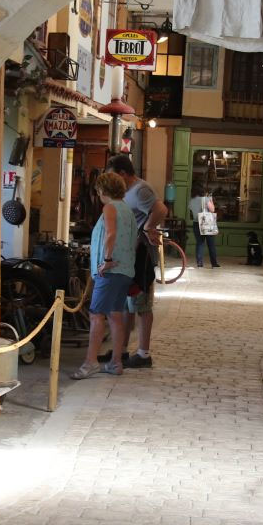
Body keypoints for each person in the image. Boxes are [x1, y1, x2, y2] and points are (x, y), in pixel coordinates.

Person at [72, 170, 134, 379]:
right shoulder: (127, 210)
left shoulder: (110, 207)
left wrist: (106, 260)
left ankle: (91, 362)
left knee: (96, 315)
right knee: (115, 315)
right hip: (124, 270)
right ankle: (116, 362)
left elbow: (111, 233)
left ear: (102, 190)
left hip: (110, 271)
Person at [106, 154, 167, 368]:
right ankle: (121, 350)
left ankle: (143, 354)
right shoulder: (125, 191)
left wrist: (148, 228)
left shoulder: (140, 190)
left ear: (123, 173)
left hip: (141, 256)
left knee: (142, 304)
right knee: (126, 304)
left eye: (114, 176)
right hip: (127, 255)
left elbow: (161, 209)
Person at [187, 182, 220, 268]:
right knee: (211, 244)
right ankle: (214, 263)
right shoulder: (205, 199)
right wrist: (210, 200)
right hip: (206, 222)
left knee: (200, 243)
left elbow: (192, 211)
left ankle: (199, 262)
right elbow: (212, 210)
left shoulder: (191, 200)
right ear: (201, 190)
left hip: (196, 223)